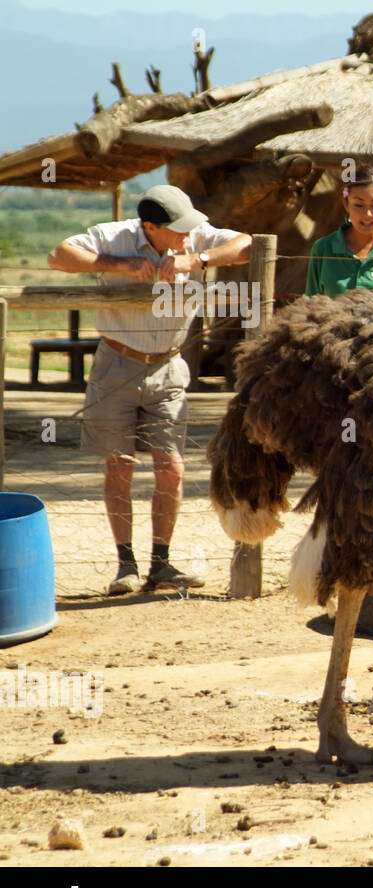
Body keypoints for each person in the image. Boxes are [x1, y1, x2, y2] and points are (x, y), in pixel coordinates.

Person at [47, 184, 251, 594]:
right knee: (119, 465)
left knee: (171, 467)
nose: (185, 236)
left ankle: (161, 563)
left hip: (169, 365)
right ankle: (126, 565)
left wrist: (199, 258)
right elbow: (58, 256)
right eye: (176, 231)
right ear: (149, 228)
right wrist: (119, 265)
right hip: (116, 363)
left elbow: (247, 245)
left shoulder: (194, 236)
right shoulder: (115, 235)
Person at [304, 164, 373, 297]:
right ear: (346, 204)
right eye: (358, 205)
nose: (367, 214)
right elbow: (310, 304)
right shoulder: (323, 249)